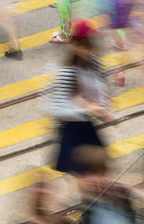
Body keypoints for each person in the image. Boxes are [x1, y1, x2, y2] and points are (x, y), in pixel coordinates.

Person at [47, 23, 114, 175]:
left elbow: (101, 90)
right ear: (74, 47)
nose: (88, 51)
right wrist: (87, 108)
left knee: (97, 168)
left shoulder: (95, 64)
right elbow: (56, 109)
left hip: (87, 125)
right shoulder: (67, 73)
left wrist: (103, 108)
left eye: (90, 46)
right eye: (84, 46)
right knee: (81, 172)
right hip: (71, 129)